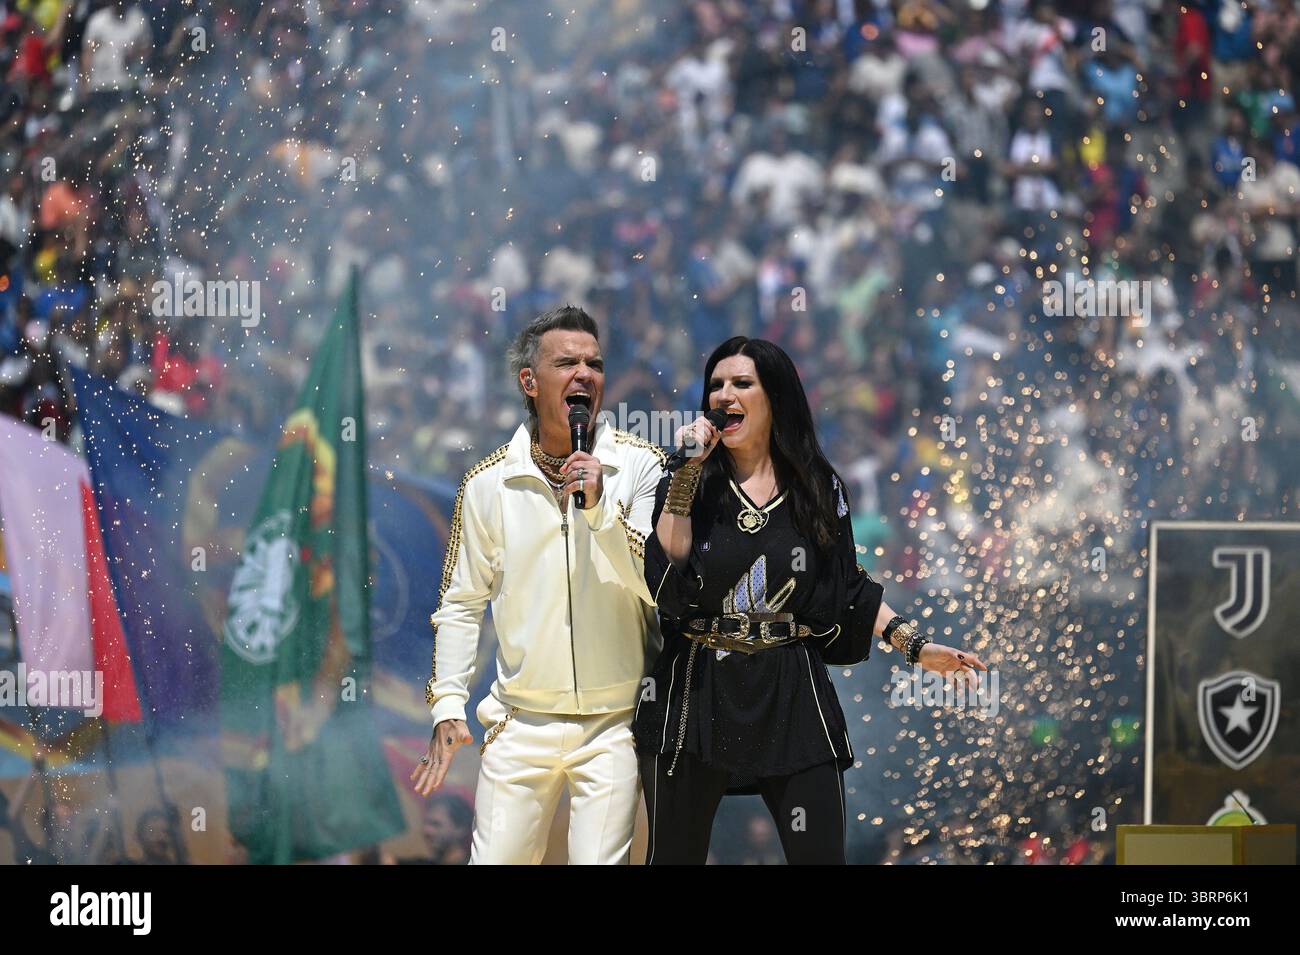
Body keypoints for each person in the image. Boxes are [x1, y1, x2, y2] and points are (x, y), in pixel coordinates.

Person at [633, 336, 987, 864]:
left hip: (790, 689)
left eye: (741, 384)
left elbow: (849, 586)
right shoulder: (685, 476)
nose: (723, 395)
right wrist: (685, 470)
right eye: (716, 385)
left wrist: (915, 646)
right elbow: (671, 564)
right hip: (698, 687)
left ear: (774, 396)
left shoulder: (816, 485)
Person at [410, 304, 666, 864]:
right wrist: (449, 703)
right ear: (530, 381)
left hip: (614, 723)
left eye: (594, 364)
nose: (584, 375)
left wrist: (599, 508)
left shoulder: (641, 466)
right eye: (566, 363)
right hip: (519, 720)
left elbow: (656, 582)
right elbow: (460, 604)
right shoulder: (487, 484)